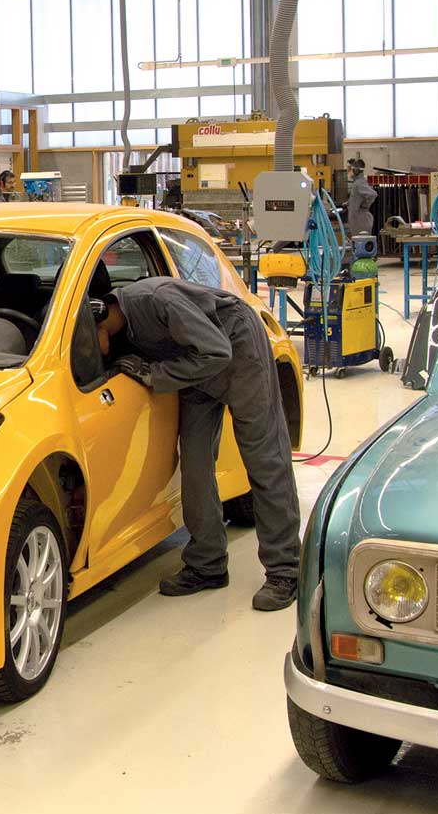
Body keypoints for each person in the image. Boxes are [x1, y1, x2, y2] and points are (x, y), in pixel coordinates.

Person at [98, 276, 301, 611]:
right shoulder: (122, 328)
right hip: (191, 364)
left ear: (101, 322)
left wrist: (154, 373)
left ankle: (285, 570)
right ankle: (207, 564)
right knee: (195, 463)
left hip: (235, 346)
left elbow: (216, 352)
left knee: (263, 456)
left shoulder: (157, 300)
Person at [344, 159, 377, 237]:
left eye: (349, 169)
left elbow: (373, 194)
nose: (347, 171)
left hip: (361, 221)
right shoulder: (357, 183)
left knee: (361, 244)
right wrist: (349, 203)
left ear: (355, 170)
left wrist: (364, 205)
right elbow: (358, 196)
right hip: (356, 220)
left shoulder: (359, 183)